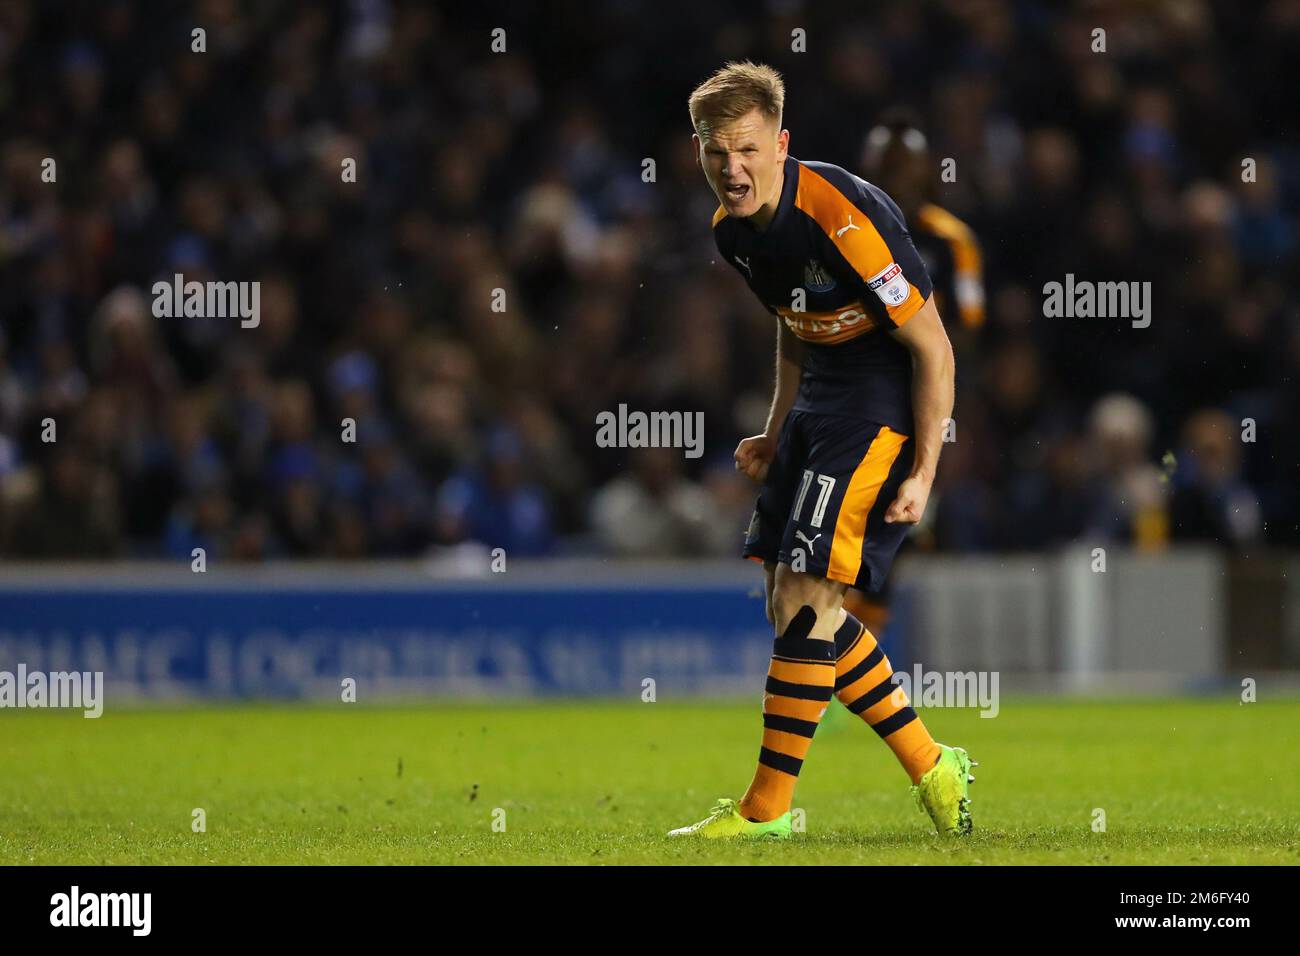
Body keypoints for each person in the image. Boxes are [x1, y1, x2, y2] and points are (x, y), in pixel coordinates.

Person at [668, 62, 974, 840]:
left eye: (744, 149)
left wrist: (925, 472)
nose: (729, 169)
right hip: (819, 403)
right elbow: (792, 321)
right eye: (713, 152)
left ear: (781, 143)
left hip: (879, 404)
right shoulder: (731, 232)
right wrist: (777, 428)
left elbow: (934, 348)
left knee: (808, 597)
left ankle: (764, 814)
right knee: (789, 602)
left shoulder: (842, 215)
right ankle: (931, 763)